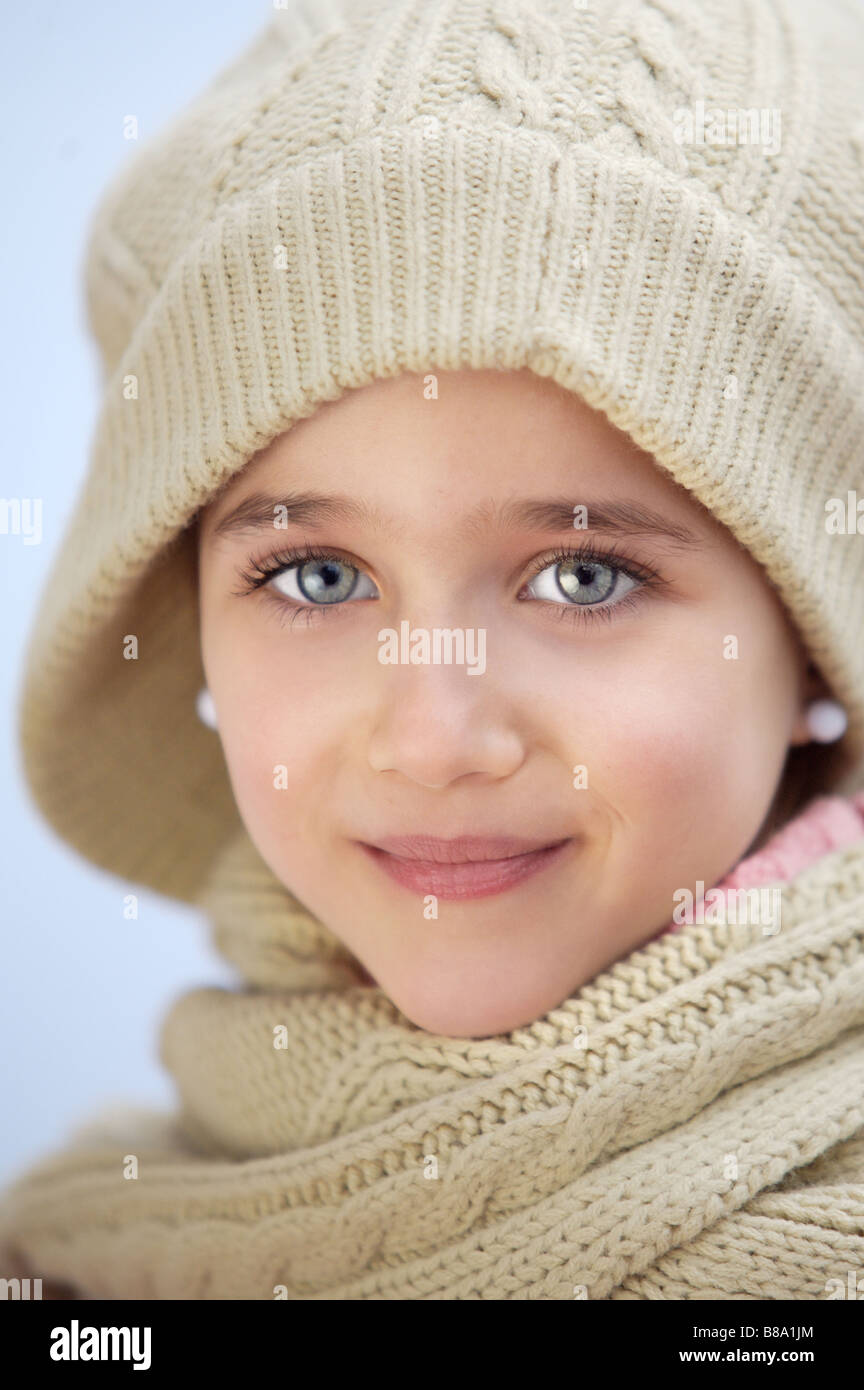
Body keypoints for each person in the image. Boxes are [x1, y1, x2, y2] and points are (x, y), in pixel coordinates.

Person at [2, 0, 864, 1300]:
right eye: (318, 574)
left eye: (584, 576)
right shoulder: (87, 1267)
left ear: (813, 635)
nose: (432, 736)